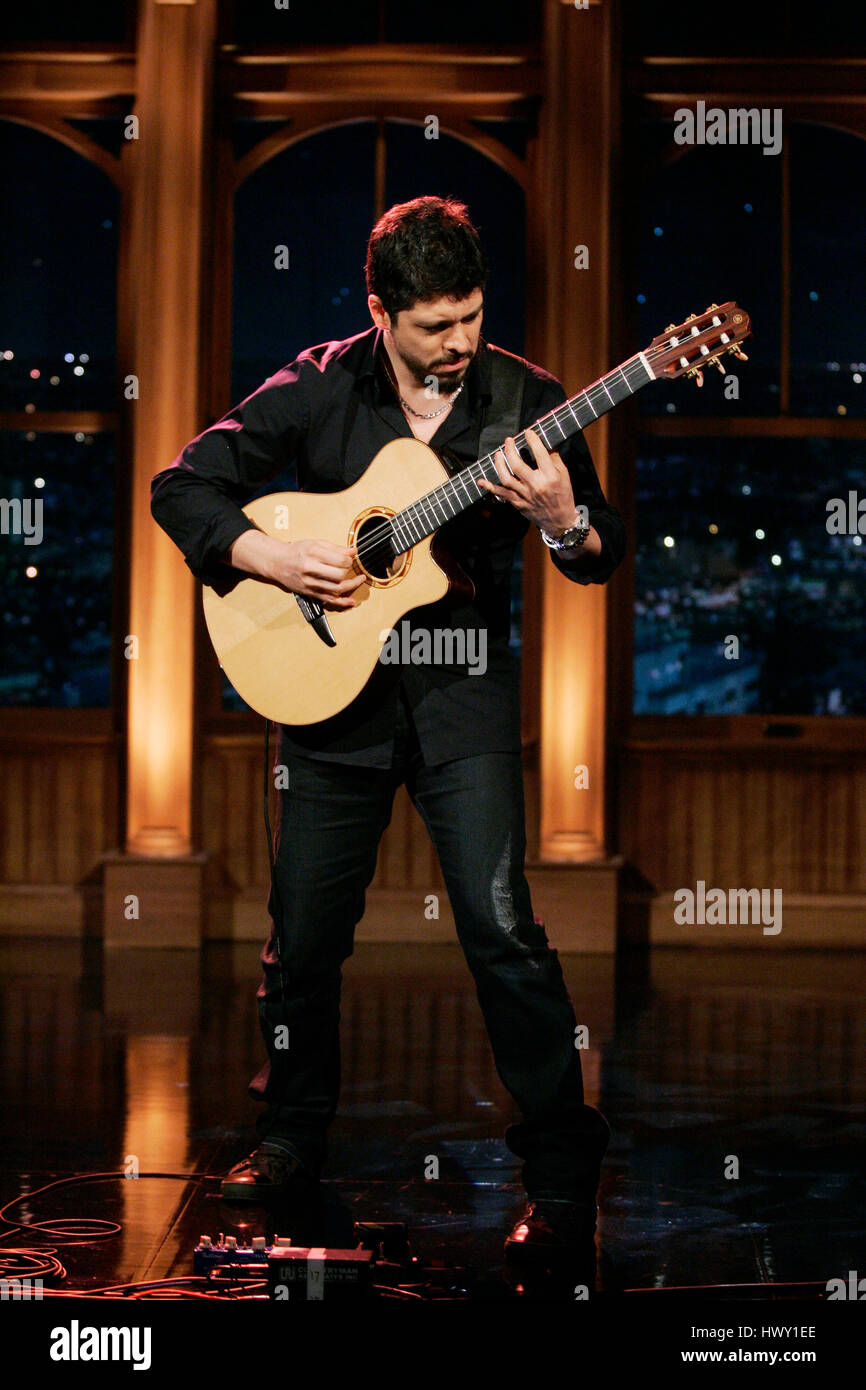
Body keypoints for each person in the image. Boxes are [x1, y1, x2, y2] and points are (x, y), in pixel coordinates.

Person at [150, 195, 626, 1263]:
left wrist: (559, 520)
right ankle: (285, 1141)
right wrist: (265, 555)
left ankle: (556, 1173)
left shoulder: (528, 400)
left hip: (461, 701)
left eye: (469, 316)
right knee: (302, 944)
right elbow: (180, 485)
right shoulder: (321, 383)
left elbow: (599, 551)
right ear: (379, 311)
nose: (457, 343)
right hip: (329, 701)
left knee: (503, 937)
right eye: (432, 325)